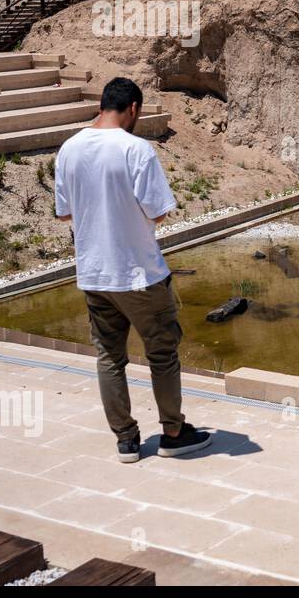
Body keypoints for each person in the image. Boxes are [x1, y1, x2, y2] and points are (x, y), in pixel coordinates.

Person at [54, 77, 211, 463]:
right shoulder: (136, 149)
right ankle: (173, 432)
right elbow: (158, 210)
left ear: (102, 105)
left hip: (93, 273)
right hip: (139, 274)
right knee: (162, 353)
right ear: (133, 109)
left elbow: (66, 213)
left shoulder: (68, 149)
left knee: (109, 356)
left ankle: (126, 439)